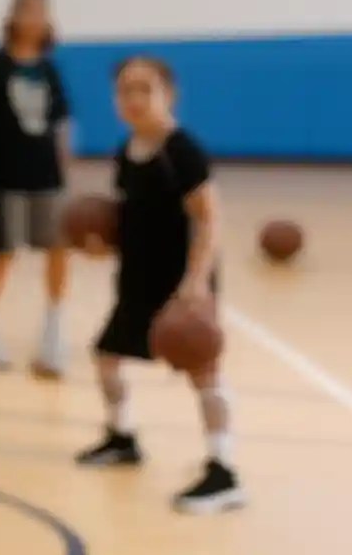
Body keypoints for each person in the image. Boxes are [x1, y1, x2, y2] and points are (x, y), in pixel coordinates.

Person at [74, 56, 245, 515]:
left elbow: (210, 219)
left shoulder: (181, 149)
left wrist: (195, 283)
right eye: (125, 90)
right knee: (107, 358)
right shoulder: (126, 151)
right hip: (137, 281)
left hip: (181, 283)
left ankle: (224, 470)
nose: (133, 98)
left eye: (144, 89)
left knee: (202, 372)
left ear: (169, 94)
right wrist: (101, 247)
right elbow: (134, 222)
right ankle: (122, 437)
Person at [0, 0, 73, 377]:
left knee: (59, 248)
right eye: (28, 9)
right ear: (13, 17)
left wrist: (65, 167)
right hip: (6, 173)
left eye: (42, 10)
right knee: (4, 251)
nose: (35, 17)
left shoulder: (48, 68)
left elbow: (61, 122)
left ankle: (55, 328)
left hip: (48, 175)